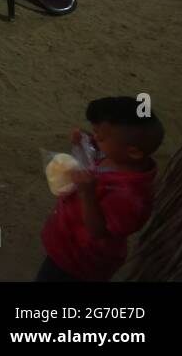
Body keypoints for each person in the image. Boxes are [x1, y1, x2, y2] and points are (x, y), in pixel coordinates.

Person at [38, 97, 162, 282]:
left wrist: (87, 194)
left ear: (134, 152)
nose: (96, 139)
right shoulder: (119, 156)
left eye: (100, 137)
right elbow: (101, 153)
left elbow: (99, 231)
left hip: (79, 263)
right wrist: (87, 142)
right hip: (65, 245)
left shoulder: (132, 196)